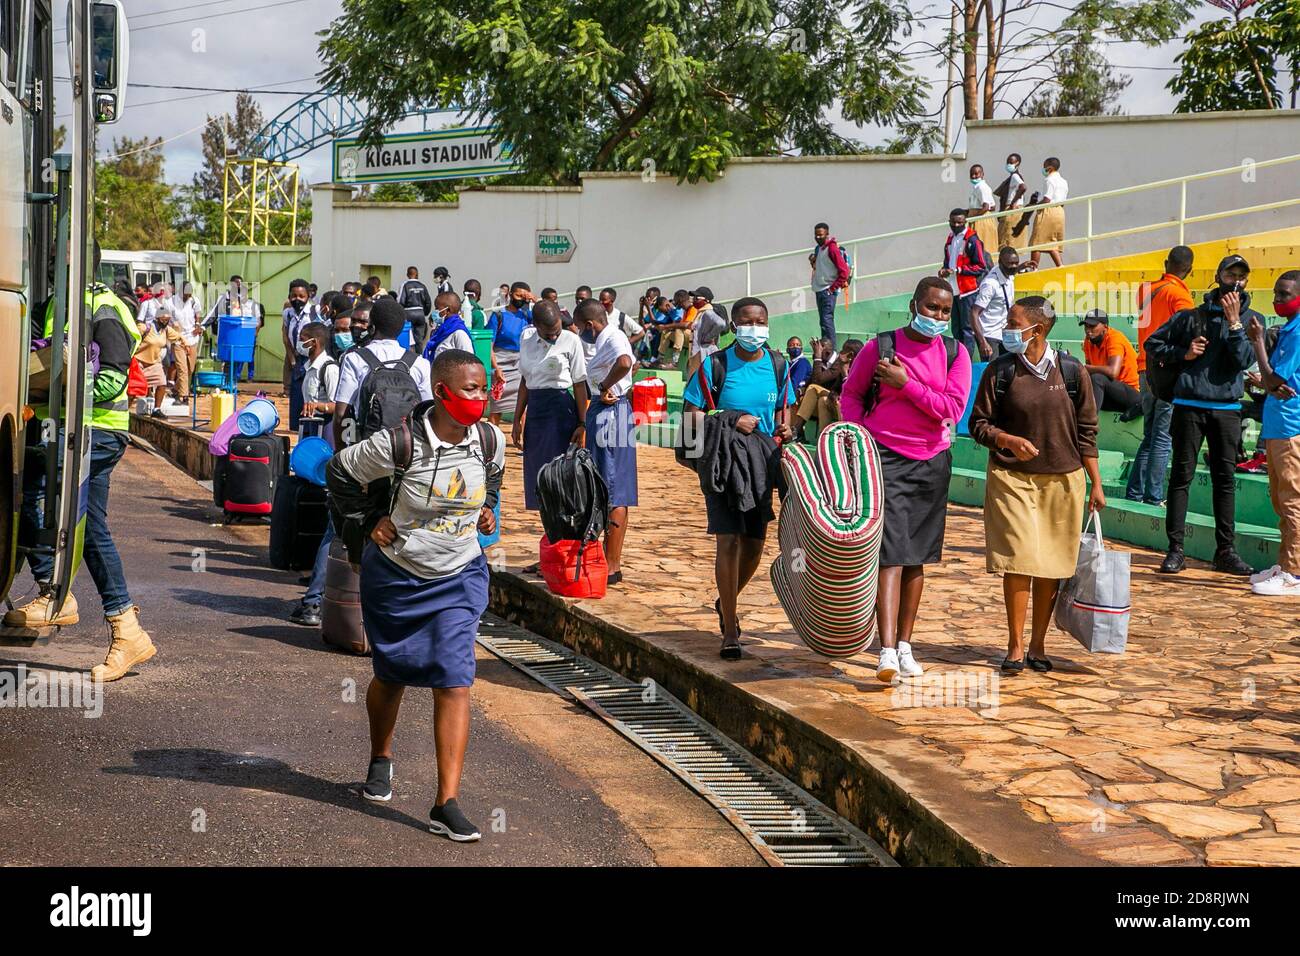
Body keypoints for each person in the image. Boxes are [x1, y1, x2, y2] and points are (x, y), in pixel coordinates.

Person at [327, 349, 505, 842]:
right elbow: (339, 472)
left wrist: (487, 508)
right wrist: (367, 520)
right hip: (398, 577)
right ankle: (381, 756)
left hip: (460, 574)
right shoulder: (400, 443)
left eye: (484, 386)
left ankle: (446, 802)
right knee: (392, 674)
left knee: (455, 678)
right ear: (443, 392)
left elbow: (493, 479)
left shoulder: (490, 439)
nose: (480, 396)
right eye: (470, 388)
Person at [6, 255, 156, 680]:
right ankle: (54, 594)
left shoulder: (104, 308)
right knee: (34, 497)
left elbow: (112, 379)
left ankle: (125, 629)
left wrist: (65, 376)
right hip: (62, 426)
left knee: (88, 527)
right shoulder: (56, 304)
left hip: (98, 431)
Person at [842, 277, 972, 682]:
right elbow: (851, 395)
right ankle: (884, 650)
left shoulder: (955, 353)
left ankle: (905, 645)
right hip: (884, 458)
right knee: (891, 554)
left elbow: (951, 409)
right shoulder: (881, 347)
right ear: (914, 304)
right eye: (932, 307)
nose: (938, 316)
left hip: (932, 461)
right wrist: (857, 433)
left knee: (918, 556)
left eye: (946, 311)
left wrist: (907, 385)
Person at [969, 296, 1103, 673]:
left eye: (1013, 322)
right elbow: (978, 424)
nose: (1007, 329)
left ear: (1037, 330)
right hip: (1011, 480)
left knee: (1051, 565)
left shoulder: (1073, 372)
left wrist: (1095, 484)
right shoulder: (1000, 371)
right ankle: (1014, 645)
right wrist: (1007, 440)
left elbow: (1088, 431)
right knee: (1018, 560)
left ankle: (1038, 643)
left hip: (1063, 480)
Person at [681, 297, 793, 659]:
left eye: (760, 321)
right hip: (722, 463)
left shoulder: (779, 364)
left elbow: (783, 410)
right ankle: (730, 627)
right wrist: (730, 418)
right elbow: (690, 419)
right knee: (727, 541)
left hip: (762, 464)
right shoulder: (715, 365)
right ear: (734, 325)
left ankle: (725, 598)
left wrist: (786, 429)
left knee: (754, 545)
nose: (754, 328)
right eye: (747, 322)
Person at [1148, 255, 1260, 576]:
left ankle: (1225, 551)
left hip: (1227, 409)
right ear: (1218, 275)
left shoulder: (1254, 319)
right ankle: (1175, 550)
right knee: (1181, 476)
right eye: (1230, 273)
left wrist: (1235, 322)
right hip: (1189, 406)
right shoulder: (1191, 317)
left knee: (1224, 481)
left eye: (1241, 275)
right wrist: (1182, 353)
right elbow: (1153, 342)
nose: (1235, 280)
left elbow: (1242, 360)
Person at [571, 299, 637, 585]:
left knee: (614, 488)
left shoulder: (613, 337)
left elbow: (625, 363)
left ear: (589, 324)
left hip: (611, 412)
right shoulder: (604, 340)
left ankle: (612, 565)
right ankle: (602, 559)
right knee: (603, 485)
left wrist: (606, 384)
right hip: (605, 410)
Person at [1126, 246, 1195, 506]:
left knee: (1151, 435)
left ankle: (1135, 492)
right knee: (1163, 436)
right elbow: (1187, 330)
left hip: (1145, 368)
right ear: (1189, 270)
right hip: (1167, 371)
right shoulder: (1180, 296)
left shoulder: (1146, 289)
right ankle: (1153, 496)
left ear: (1166, 263)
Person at [1247, 270, 1300, 595]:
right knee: (1280, 500)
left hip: (1292, 425)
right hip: (1278, 424)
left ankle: (1294, 572)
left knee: (1292, 499)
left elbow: (1275, 380)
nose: (1278, 300)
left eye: (1285, 294)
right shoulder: (1289, 330)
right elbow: (1271, 381)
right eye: (1277, 294)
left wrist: (1257, 343)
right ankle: (1286, 562)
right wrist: (1267, 380)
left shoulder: (1296, 333)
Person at [288, 323, 342, 628]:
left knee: (331, 525)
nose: (299, 343)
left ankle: (315, 599)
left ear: (315, 342)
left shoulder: (329, 368)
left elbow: (338, 406)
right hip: (310, 436)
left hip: (325, 440)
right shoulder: (309, 367)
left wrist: (318, 405)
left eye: (304, 339)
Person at [513, 300, 588, 509]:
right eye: (548, 333)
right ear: (535, 326)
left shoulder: (571, 340)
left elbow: (580, 384)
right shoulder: (526, 338)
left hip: (561, 412)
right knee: (537, 474)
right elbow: (525, 381)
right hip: (536, 413)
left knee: (561, 475)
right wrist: (517, 419)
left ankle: (565, 530)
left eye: (557, 331)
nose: (554, 337)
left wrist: (582, 424)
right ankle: (549, 528)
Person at [332, 297, 433, 448]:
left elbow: (342, 414)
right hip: (407, 448)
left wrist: (342, 451)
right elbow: (428, 412)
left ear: (371, 326)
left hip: (368, 448)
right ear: (401, 329)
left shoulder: (354, 359)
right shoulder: (420, 363)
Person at [939, 208, 990, 356]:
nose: (956, 225)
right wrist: (944, 269)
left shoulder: (972, 239)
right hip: (953, 290)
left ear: (965, 222)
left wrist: (959, 270)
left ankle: (965, 360)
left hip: (968, 290)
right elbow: (948, 262)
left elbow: (981, 266)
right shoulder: (950, 239)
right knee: (956, 328)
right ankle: (958, 357)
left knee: (968, 329)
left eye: (959, 222)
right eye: (953, 222)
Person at [790, 338, 863, 439]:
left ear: (850, 355)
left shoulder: (840, 364)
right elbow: (835, 387)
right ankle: (822, 437)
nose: (840, 353)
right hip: (833, 401)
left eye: (843, 351)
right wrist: (801, 389)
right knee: (821, 399)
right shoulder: (840, 363)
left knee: (813, 388)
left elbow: (817, 380)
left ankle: (797, 428)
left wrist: (817, 357)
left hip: (851, 408)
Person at [486, 281, 534, 427]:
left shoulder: (527, 316)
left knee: (524, 407)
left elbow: (546, 316)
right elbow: (489, 345)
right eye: (519, 295)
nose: (522, 299)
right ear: (510, 295)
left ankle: (526, 444)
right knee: (496, 407)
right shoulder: (499, 315)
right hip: (501, 362)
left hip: (521, 364)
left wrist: (534, 299)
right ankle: (492, 440)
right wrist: (496, 368)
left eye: (524, 297)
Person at [1081, 308, 1141, 414]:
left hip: (1133, 395)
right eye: (1086, 326)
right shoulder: (1088, 341)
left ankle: (1088, 425)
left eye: (1092, 326)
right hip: (1110, 394)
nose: (1088, 330)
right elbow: (1089, 373)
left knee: (1097, 378)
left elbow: (1113, 372)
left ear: (1105, 326)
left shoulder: (1115, 338)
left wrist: (1084, 368)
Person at [282, 278, 323, 430]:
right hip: (297, 359)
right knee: (297, 393)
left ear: (308, 297)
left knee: (311, 391)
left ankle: (310, 427)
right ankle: (297, 427)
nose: (297, 300)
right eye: (294, 296)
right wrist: (292, 359)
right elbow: (286, 336)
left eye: (301, 296)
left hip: (312, 358)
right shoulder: (288, 313)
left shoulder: (315, 312)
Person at [969, 246, 1022, 361]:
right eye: (1010, 264)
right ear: (1000, 263)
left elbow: (1012, 271)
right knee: (993, 372)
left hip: (1004, 333)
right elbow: (974, 313)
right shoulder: (990, 284)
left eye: (1016, 263)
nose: (1013, 267)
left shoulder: (1009, 275)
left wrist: (1021, 267)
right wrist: (982, 342)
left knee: (1008, 369)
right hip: (989, 336)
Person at [135, 300, 180, 414]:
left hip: (154, 362)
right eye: (163, 319)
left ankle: (157, 409)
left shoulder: (166, 330)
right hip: (139, 361)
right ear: (157, 318)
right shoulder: (145, 328)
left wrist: (186, 345)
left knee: (162, 383)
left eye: (167, 320)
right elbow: (132, 337)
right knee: (134, 388)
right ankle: (125, 409)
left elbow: (178, 337)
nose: (166, 322)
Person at [809, 222, 851, 342]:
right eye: (816, 235)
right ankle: (825, 347)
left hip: (828, 290)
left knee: (827, 321)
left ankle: (832, 349)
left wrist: (832, 288)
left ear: (827, 234)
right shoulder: (819, 249)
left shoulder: (832, 248)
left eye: (821, 235)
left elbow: (844, 271)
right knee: (823, 322)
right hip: (819, 289)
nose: (818, 238)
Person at [1028, 157, 1068, 270]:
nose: (1043, 169)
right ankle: (1060, 266)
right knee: (1052, 241)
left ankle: (1033, 269)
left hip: (1048, 211)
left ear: (1049, 168)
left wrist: (1035, 206)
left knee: (1037, 241)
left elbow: (1047, 199)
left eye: (1044, 167)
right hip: (1059, 211)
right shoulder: (1064, 181)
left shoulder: (1049, 180)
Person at [171, 282, 202, 406]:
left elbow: (198, 315)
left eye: (189, 295)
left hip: (192, 338)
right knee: (182, 368)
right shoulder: (172, 301)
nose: (187, 297)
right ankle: (183, 396)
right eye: (185, 295)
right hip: (178, 339)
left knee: (190, 368)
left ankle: (176, 389)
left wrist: (198, 326)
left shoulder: (194, 301)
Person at [994, 154, 1029, 255]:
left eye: (1011, 162)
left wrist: (1013, 202)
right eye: (1007, 162)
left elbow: (1023, 187)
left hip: (1012, 211)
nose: (1008, 164)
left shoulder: (1015, 176)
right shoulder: (1012, 177)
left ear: (1017, 163)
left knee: (1007, 241)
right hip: (1012, 210)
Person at [687, 286, 726, 377]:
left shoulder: (708, 312)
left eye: (696, 298)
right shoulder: (701, 312)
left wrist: (708, 337)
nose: (694, 300)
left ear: (706, 300)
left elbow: (721, 324)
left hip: (704, 351)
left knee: (701, 378)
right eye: (693, 298)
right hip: (697, 352)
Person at [424, 291, 474, 359]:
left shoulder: (459, 333)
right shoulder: (441, 330)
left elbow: (468, 360)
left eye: (437, 309)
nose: (435, 312)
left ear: (448, 310)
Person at [598, 287, 645, 356]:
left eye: (603, 300)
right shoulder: (597, 315)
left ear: (612, 301)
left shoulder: (621, 317)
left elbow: (641, 332)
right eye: (599, 300)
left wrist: (626, 343)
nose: (600, 302)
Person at [396, 266, 433, 348]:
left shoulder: (404, 285)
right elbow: (428, 301)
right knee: (419, 338)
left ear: (407, 274)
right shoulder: (422, 286)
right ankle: (419, 354)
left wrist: (400, 313)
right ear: (417, 274)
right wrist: (425, 313)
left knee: (409, 338)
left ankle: (409, 356)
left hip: (408, 313)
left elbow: (400, 301)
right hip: (420, 313)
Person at [967, 163, 999, 255]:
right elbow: (992, 206)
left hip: (980, 221)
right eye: (972, 174)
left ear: (982, 174)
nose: (974, 176)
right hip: (979, 218)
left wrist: (974, 217)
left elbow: (986, 207)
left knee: (981, 248)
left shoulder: (981, 187)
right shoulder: (977, 187)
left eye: (976, 174)